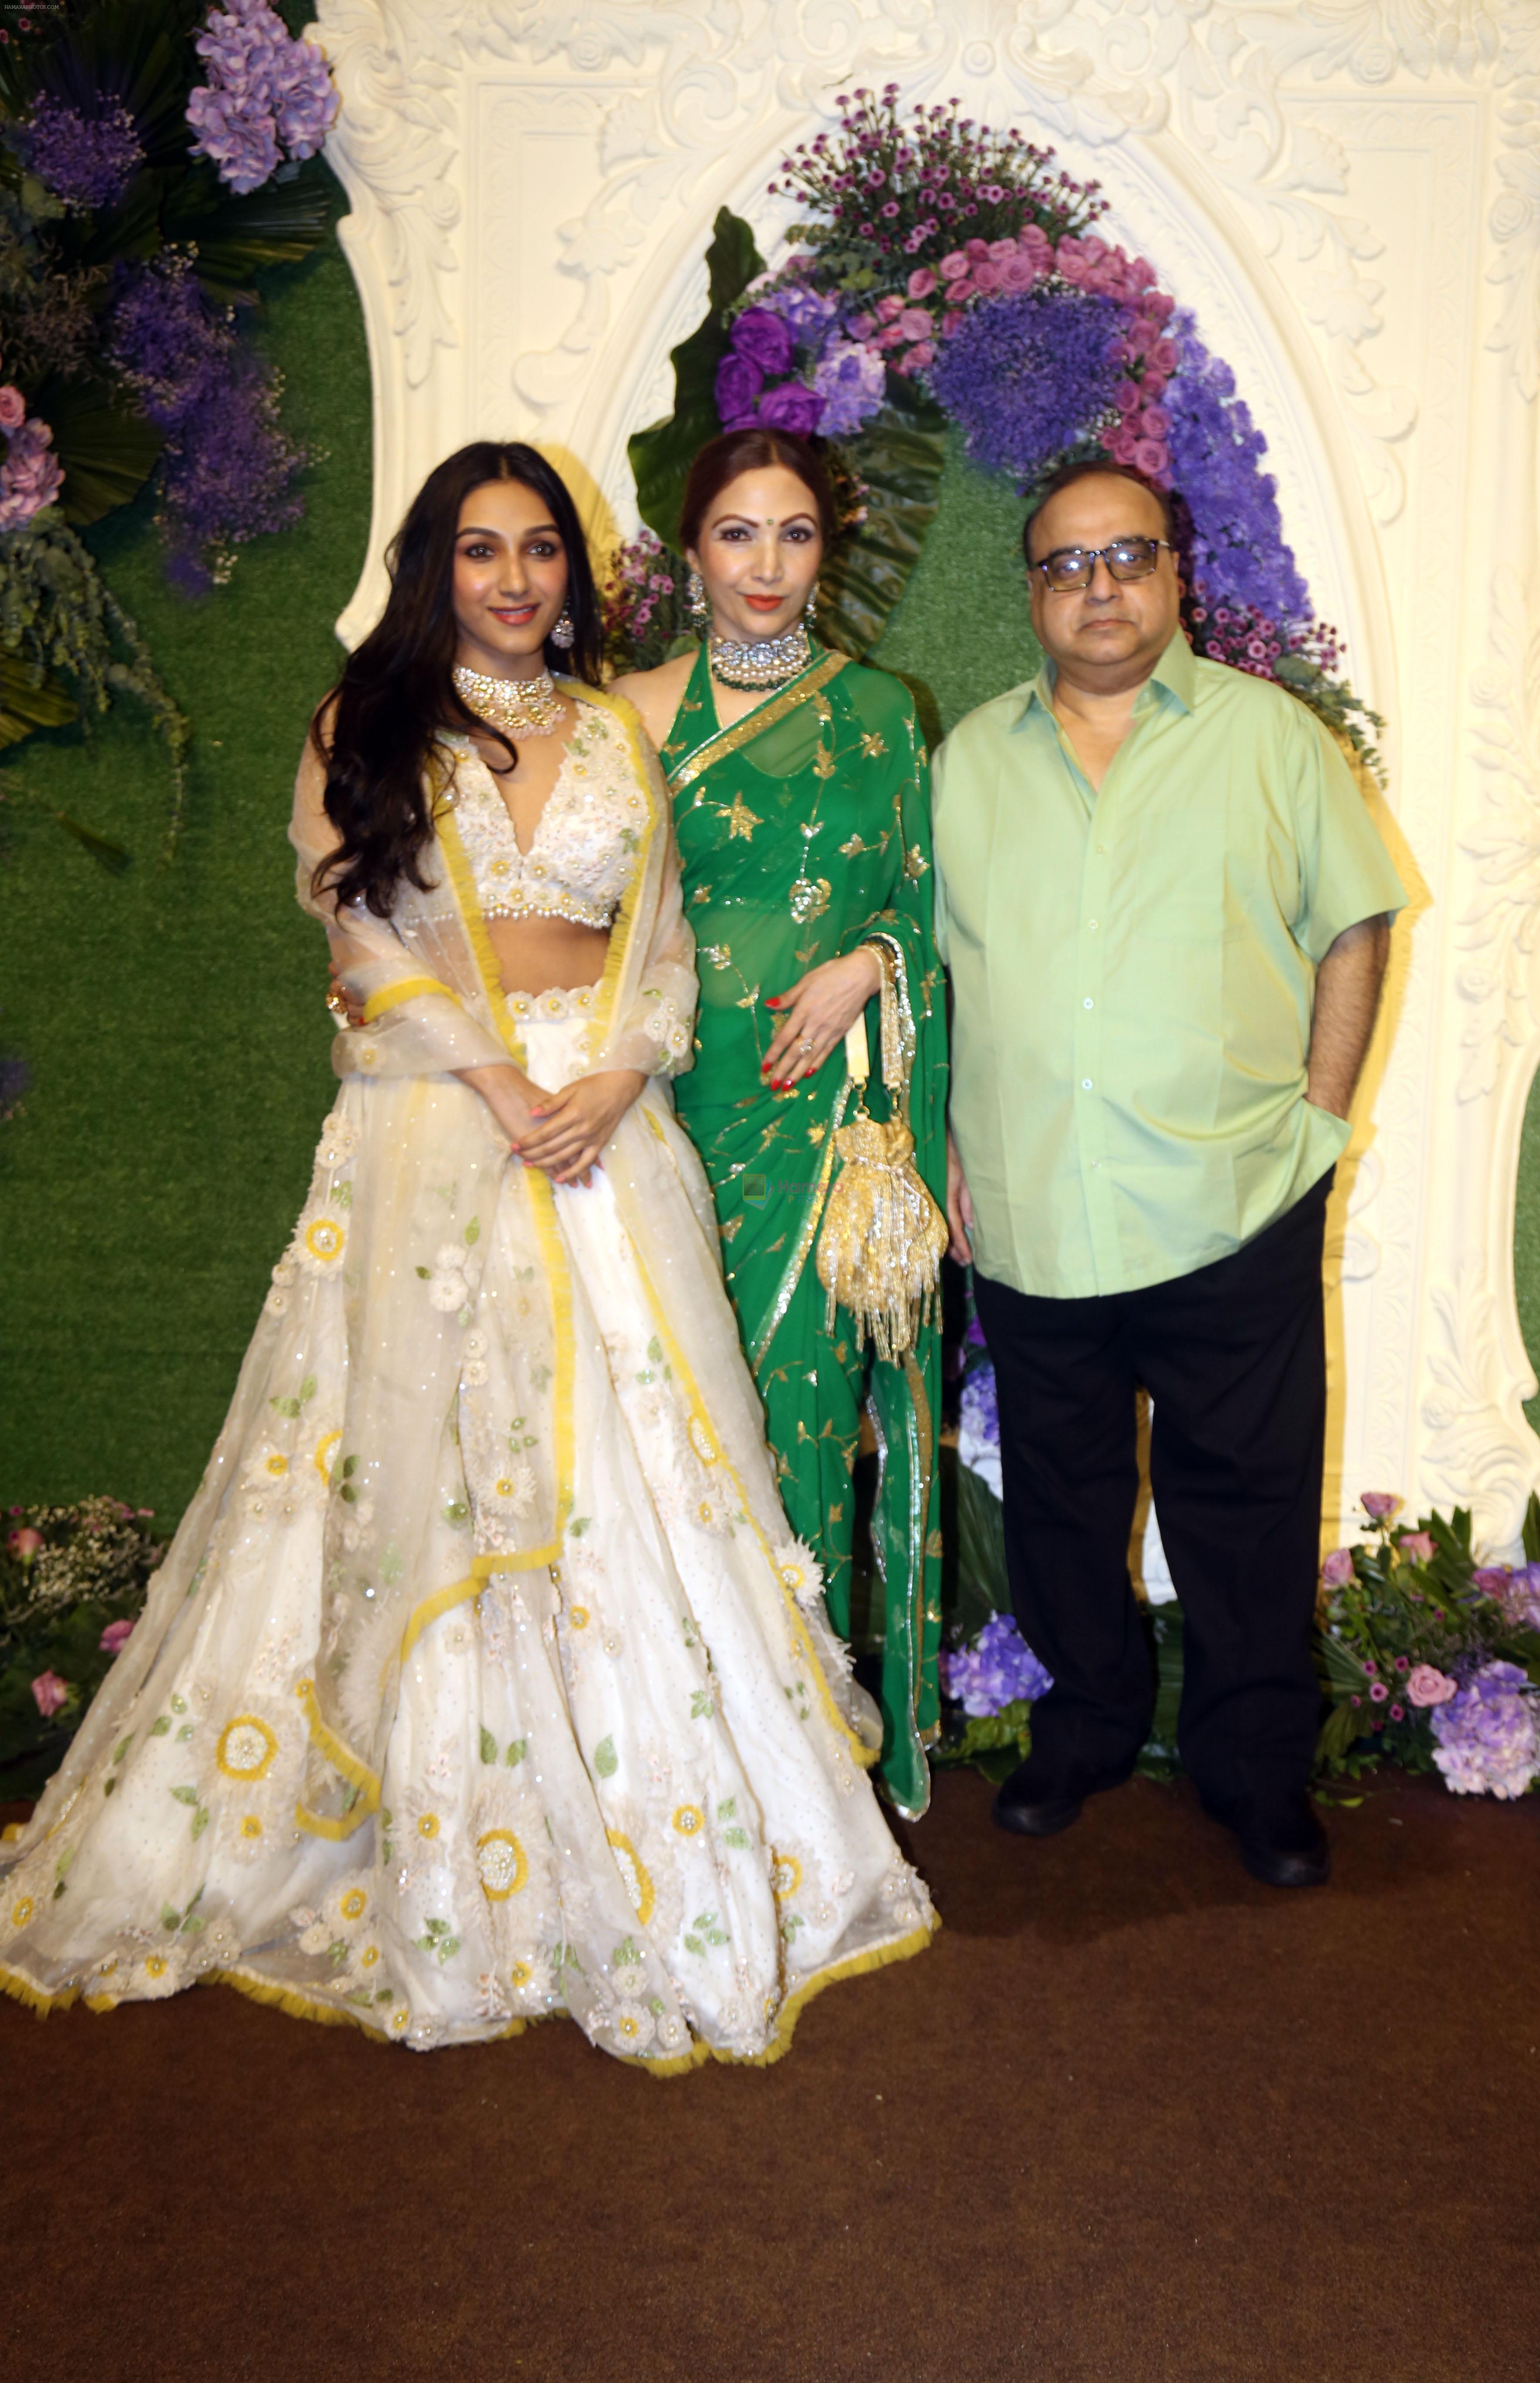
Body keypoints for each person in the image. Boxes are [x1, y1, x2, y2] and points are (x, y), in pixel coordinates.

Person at [0, 442, 934, 2061]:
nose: (516, 581)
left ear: (578, 573)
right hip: (443, 1123)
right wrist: (501, 1080)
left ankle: (654, 1836)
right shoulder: (360, 728)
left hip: (603, 1128)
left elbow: (662, 945)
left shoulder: (611, 731)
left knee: (631, 1470)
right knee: (429, 1465)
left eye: (544, 553)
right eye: (482, 552)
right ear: (434, 567)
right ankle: (443, 1839)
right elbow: (358, 941)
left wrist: (621, 1077)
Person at [932, 460, 1406, 1887]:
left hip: (1231, 1203)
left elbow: (1357, 924)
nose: (1101, 587)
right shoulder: (969, 761)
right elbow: (934, 973)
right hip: (1027, 1209)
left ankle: (1255, 1771)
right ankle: (1084, 1728)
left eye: (1127, 554)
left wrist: (1319, 1125)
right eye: (1068, 564)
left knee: (1244, 1507)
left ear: (1176, 571)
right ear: (1031, 591)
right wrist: (946, 1151)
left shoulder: (1270, 738)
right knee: (1064, 1500)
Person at [616, 429, 948, 1820]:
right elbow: (578, 913)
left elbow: (931, 911)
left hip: (836, 1123)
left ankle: (803, 1760)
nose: (767, 565)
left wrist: (875, 962)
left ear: (831, 546)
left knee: (805, 1418)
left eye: (796, 533)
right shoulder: (624, 714)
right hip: (670, 1111)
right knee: (672, 1415)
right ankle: (667, 1752)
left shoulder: (883, 711)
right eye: (739, 533)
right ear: (691, 549)